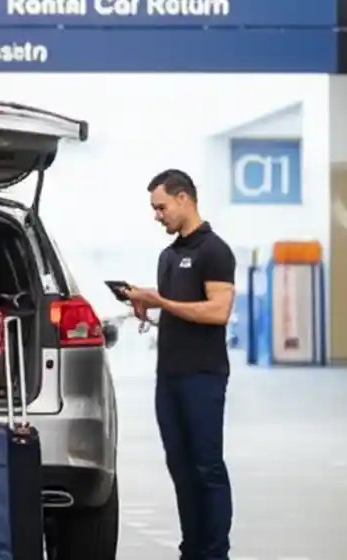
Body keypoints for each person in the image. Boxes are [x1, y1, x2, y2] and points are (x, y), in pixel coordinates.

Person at [123, 169, 236, 560]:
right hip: (168, 376)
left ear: (184, 198)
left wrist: (162, 301)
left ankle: (215, 552)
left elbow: (218, 311)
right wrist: (147, 306)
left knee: (207, 467)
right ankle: (192, 550)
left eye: (161, 207)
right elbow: (181, 312)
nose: (157, 215)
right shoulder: (169, 256)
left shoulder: (215, 251)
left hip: (202, 376)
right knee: (181, 469)